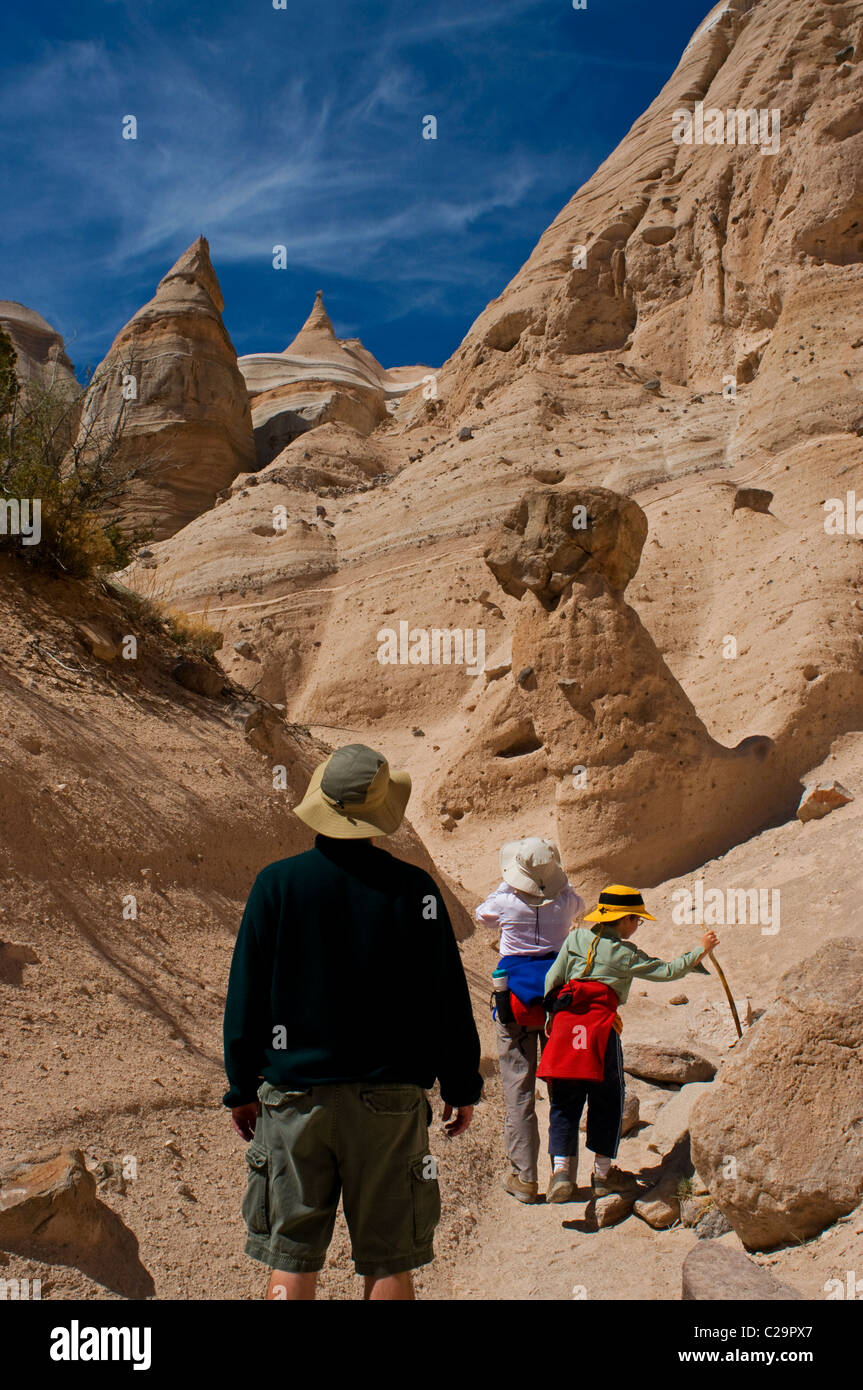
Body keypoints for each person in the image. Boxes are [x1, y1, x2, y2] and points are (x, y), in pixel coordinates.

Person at [223, 743, 482, 1301]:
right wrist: (461, 1083)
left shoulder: (276, 885)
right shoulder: (416, 891)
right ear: (380, 813)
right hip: (388, 1101)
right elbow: (445, 998)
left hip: (293, 1097)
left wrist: (241, 1086)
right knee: (388, 1260)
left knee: (291, 1256)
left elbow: (245, 994)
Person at [538, 884, 719, 1204]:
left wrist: (552, 1016)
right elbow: (666, 971)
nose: (637, 926)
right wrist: (699, 951)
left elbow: (553, 979)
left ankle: (560, 1173)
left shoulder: (576, 939)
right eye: (636, 920)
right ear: (622, 921)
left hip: (566, 1031)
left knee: (564, 1102)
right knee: (607, 1099)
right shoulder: (626, 954)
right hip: (600, 1033)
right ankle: (603, 1175)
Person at [476, 838, 585, 1204]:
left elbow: (482, 914)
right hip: (557, 1002)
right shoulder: (566, 901)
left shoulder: (506, 901)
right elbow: (580, 906)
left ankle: (525, 1178)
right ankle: (562, 1172)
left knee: (518, 1091)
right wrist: (555, 885)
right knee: (561, 1089)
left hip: (515, 1004)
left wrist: (510, 885)